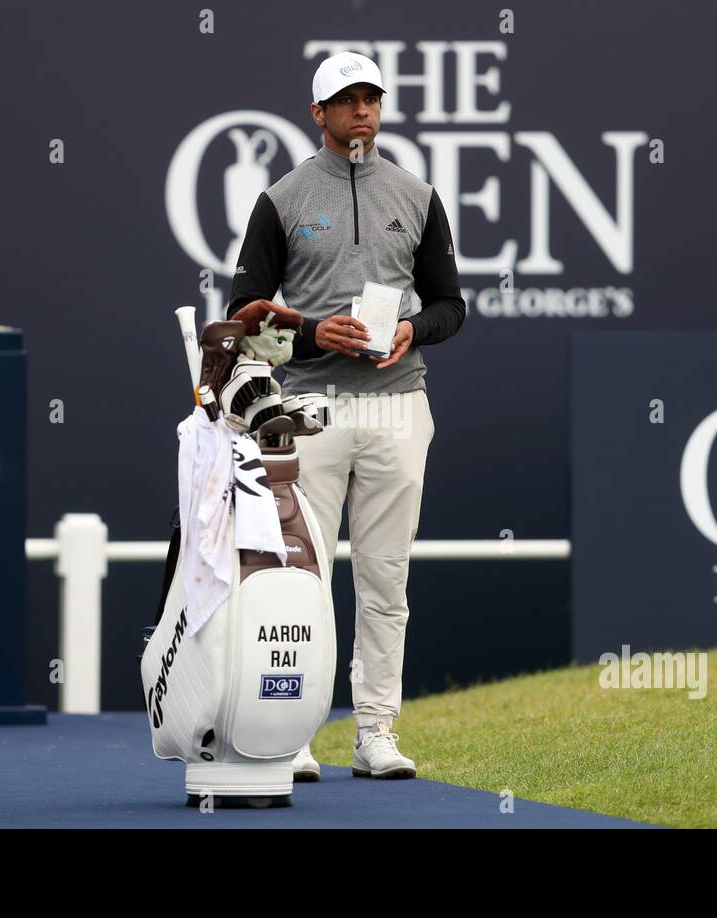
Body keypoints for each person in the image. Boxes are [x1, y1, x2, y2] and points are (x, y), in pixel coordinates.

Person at [227, 51, 465, 780]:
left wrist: (410, 332)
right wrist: (308, 333)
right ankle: (293, 732)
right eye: (346, 99)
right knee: (299, 578)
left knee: (385, 578)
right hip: (309, 409)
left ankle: (375, 733)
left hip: (400, 405)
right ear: (318, 114)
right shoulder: (283, 198)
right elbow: (241, 321)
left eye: (372, 97)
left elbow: (452, 306)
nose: (362, 109)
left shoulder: (418, 194)